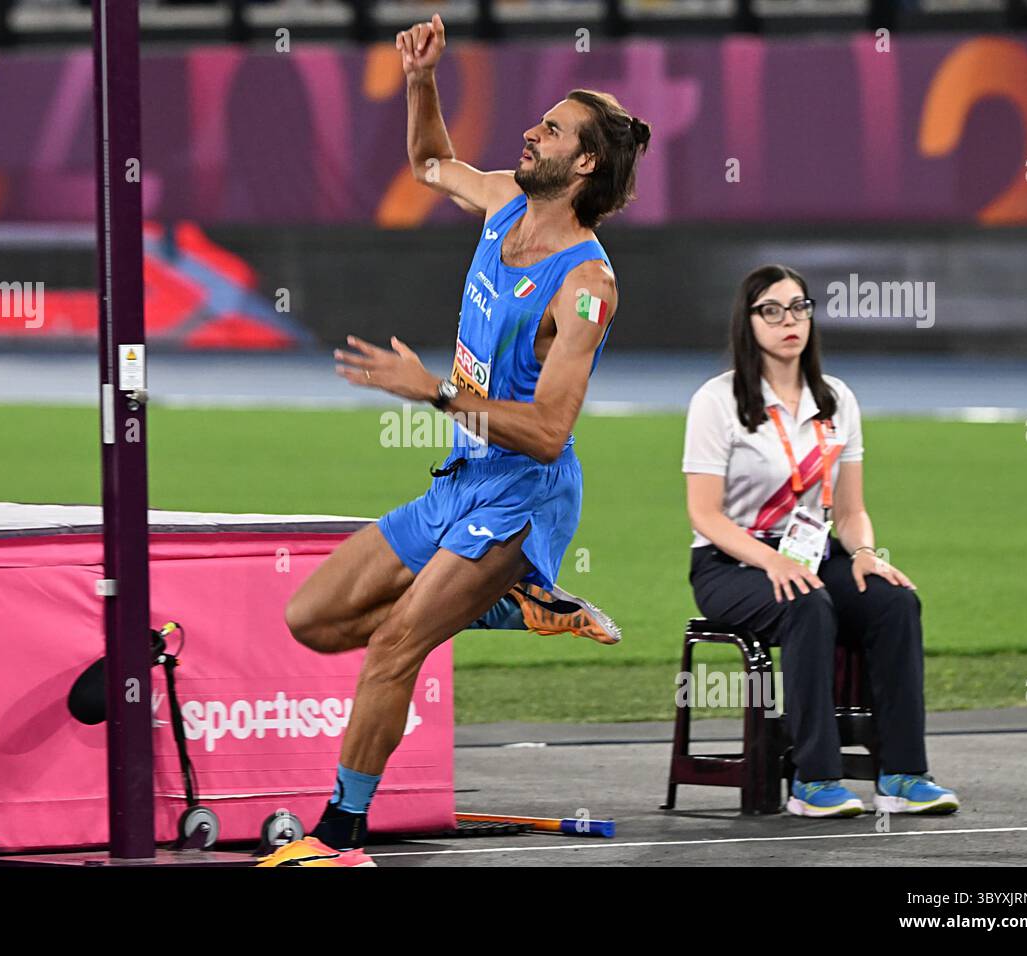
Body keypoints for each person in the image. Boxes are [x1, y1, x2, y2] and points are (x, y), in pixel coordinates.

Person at [257, 13, 650, 866]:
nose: (529, 132)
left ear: (582, 163)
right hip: (462, 480)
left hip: (521, 497)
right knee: (314, 619)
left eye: (550, 129)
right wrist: (420, 78)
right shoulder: (504, 198)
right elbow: (433, 163)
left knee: (398, 642)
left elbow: (549, 434)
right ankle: (511, 605)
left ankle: (337, 836)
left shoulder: (585, 285)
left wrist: (435, 390)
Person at [682, 264, 959, 818]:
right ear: (749, 321)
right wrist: (771, 562)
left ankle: (902, 774)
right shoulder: (716, 402)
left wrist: (863, 555)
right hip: (730, 563)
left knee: (895, 602)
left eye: (800, 308)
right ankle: (813, 781)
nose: (790, 321)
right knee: (805, 603)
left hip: (812, 553)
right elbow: (705, 515)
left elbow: (852, 510)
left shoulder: (836, 400)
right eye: (773, 310)